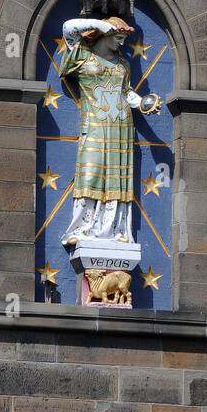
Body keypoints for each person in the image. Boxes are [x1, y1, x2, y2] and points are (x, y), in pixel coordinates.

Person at [58, 16, 161, 247]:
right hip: (94, 125)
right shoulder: (83, 56)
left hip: (120, 126)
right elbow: (69, 28)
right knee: (91, 173)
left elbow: (126, 93)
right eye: (117, 37)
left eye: (123, 39)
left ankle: (115, 230)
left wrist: (143, 102)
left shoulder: (123, 63)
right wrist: (100, 24)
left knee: (118, 179)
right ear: (104, 34)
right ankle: (82, 228)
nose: (121, 43)